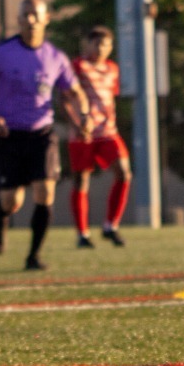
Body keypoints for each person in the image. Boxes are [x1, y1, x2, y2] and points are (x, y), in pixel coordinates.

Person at [0, 0, 88, 269]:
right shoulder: (3, 53)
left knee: (45, 193)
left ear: (47, 19)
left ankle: (33, 256)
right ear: (19, 20)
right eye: (26, 15)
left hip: (41, 135)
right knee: (12, 201)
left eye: (36, 14)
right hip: (8, 136)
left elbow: (75, 92)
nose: (31, 20)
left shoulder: (56, 58)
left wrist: (84, 115)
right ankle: (1, 215)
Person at [69, 26, 132, 247]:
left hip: (108, 131)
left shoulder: (112, 69)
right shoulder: (78, 66)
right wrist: (77, 122)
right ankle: (82, 234)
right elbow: (66, 96)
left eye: (106, 45)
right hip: (84, 133)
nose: (101, 49)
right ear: (87, 44)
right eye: (97, 44)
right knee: (81, 180)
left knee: (124, 173)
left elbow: (109, 98)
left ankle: (110, 226)